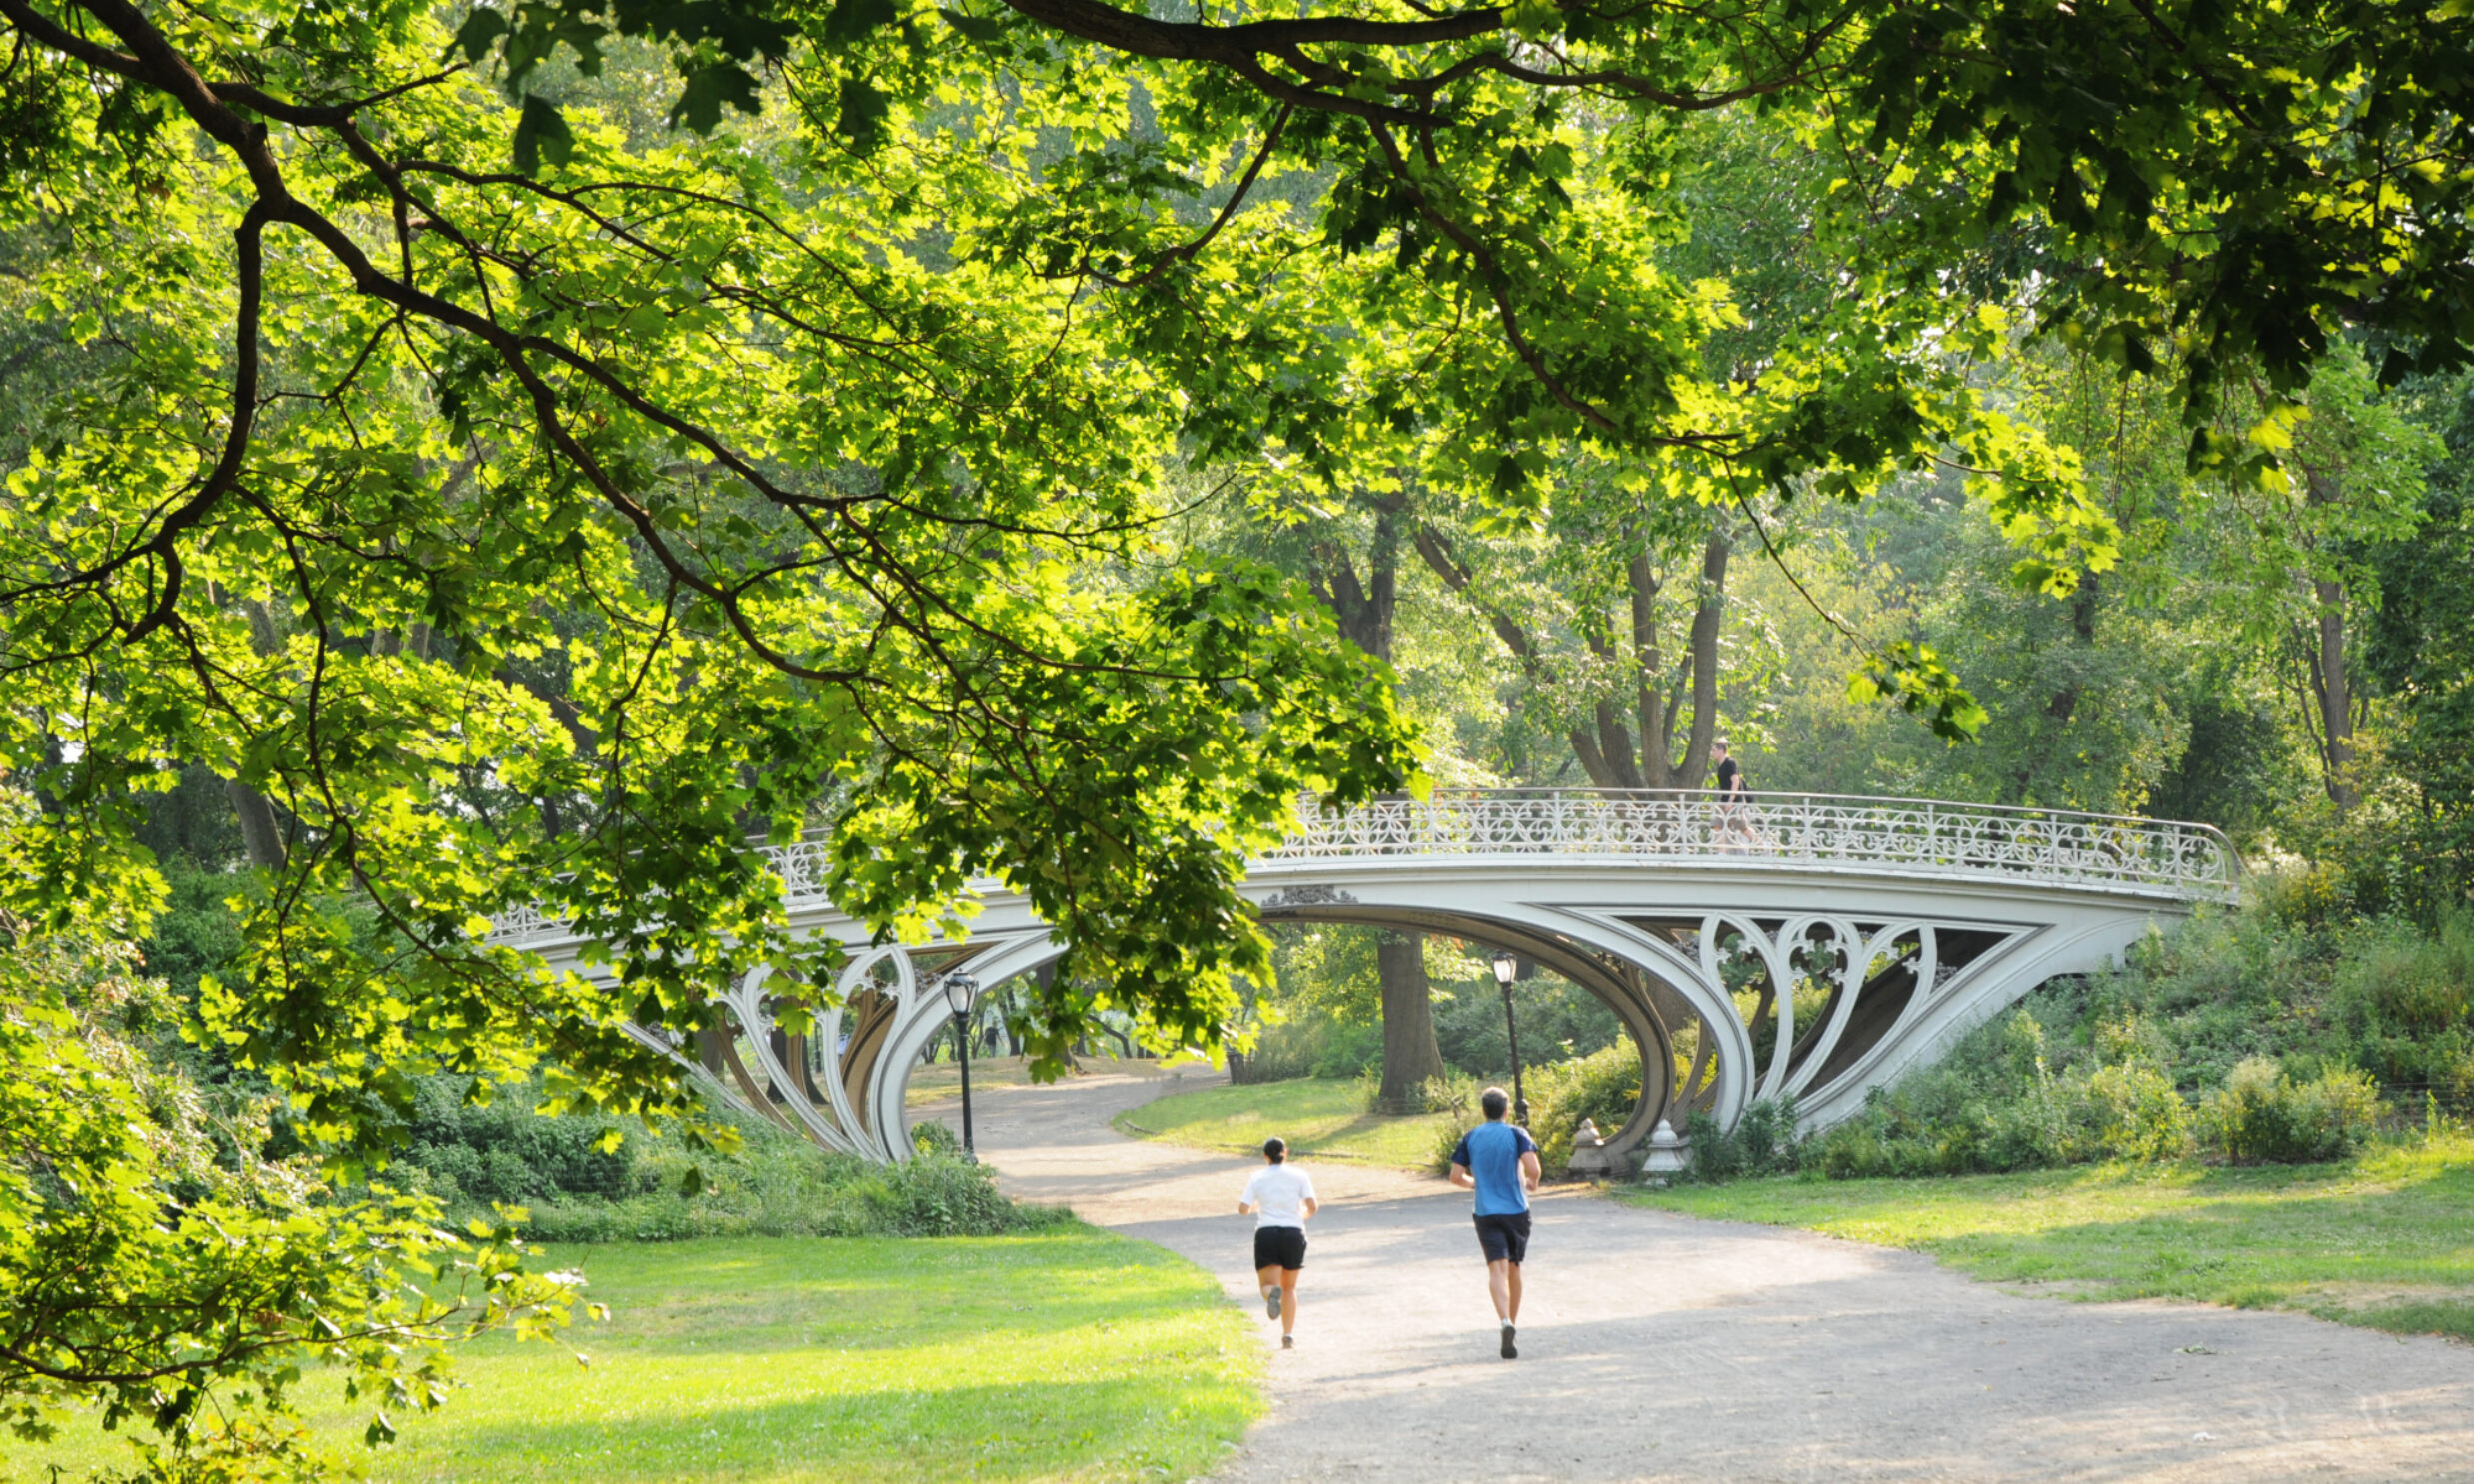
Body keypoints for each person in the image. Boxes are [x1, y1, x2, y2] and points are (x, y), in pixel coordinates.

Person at [1448, 1086, 1540, 1359]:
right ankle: (1514, 1322)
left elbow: (1455, 1176)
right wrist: (1532, 1182)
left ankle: (1504, 1321)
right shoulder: (1517, 1134)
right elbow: (1533, 1168)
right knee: (1515, 1269)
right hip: (1516, 1210)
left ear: (1484, 1111)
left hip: (1486, 1211)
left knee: (1496, 1270)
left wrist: (1476, 1183)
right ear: (1507, 1110)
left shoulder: (1472, 1137)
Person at [1237, 1136, 1317, 1349]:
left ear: (1265, 1156)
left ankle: (1273, 1295)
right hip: (1294, 1233)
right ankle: (1288, 1335)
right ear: (1286, 1153)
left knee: (1267, 1285)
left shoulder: (1257, 1177)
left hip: (1268, 1232)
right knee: (1290, 1287)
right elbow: (1313, 1206)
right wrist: (1303, 1215)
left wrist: (1255, 1207)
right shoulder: (1300, 1175)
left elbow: (1243, 1208)